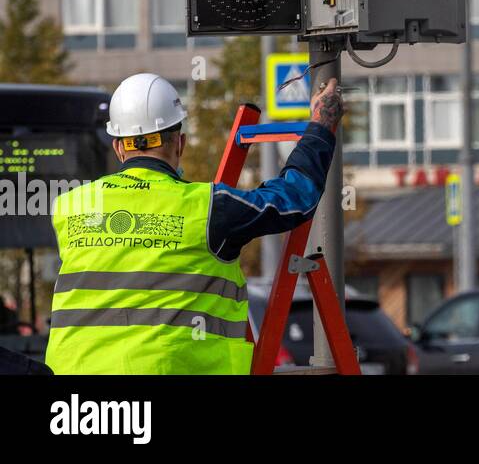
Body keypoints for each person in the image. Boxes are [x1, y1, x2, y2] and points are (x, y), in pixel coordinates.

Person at [44, 72, 344, 374]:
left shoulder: (70, 207)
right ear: (180, 143)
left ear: (118, 148)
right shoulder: (209, 207)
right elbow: (295, 197)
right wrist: (321, 125)